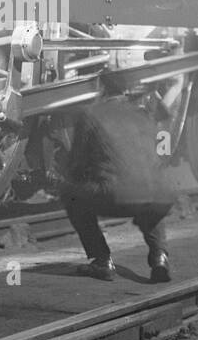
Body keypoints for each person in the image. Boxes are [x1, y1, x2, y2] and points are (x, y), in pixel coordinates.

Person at [60, 93, 177, 283]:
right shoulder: (144, 114)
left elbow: (77, 163)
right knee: (149, 197)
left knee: (70, 194)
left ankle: (102, 261)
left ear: (102, 87)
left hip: (120, 195)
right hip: (162, 195)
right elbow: (158, 157)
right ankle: (159, 257)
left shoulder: (89, 114)